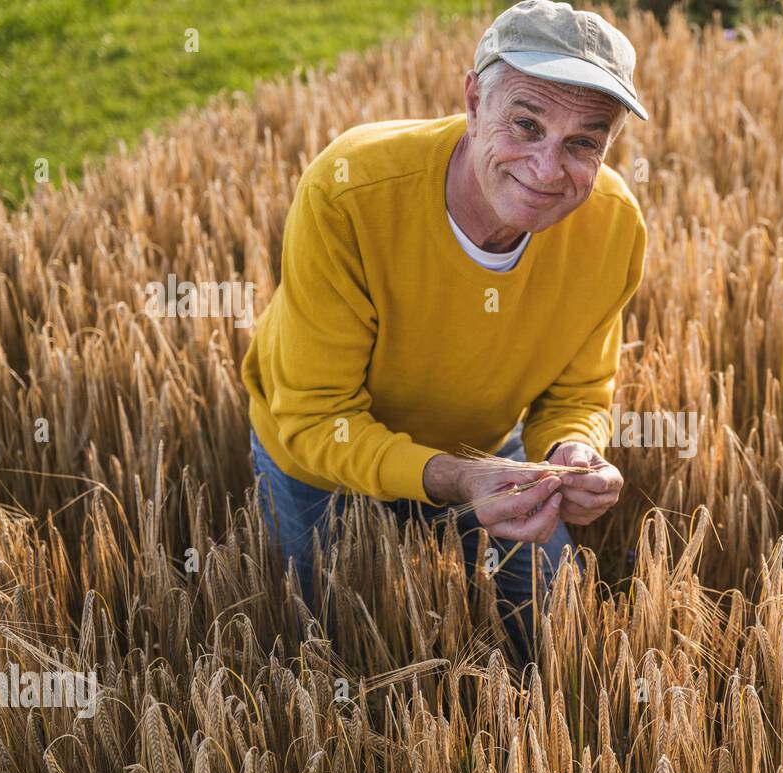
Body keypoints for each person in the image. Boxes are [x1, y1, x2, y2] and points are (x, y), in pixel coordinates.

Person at [239, 0, 649, 653]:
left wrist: (568, 450)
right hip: (321, 457)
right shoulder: (352, 193)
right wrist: (454, 478)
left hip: (484, 445)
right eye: (525, 123)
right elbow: (316, 418)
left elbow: (575, 396)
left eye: (583, 142)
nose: (547, 169)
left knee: (557, 632)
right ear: (472, 99)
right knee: (333, 652)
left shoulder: (612, 227)